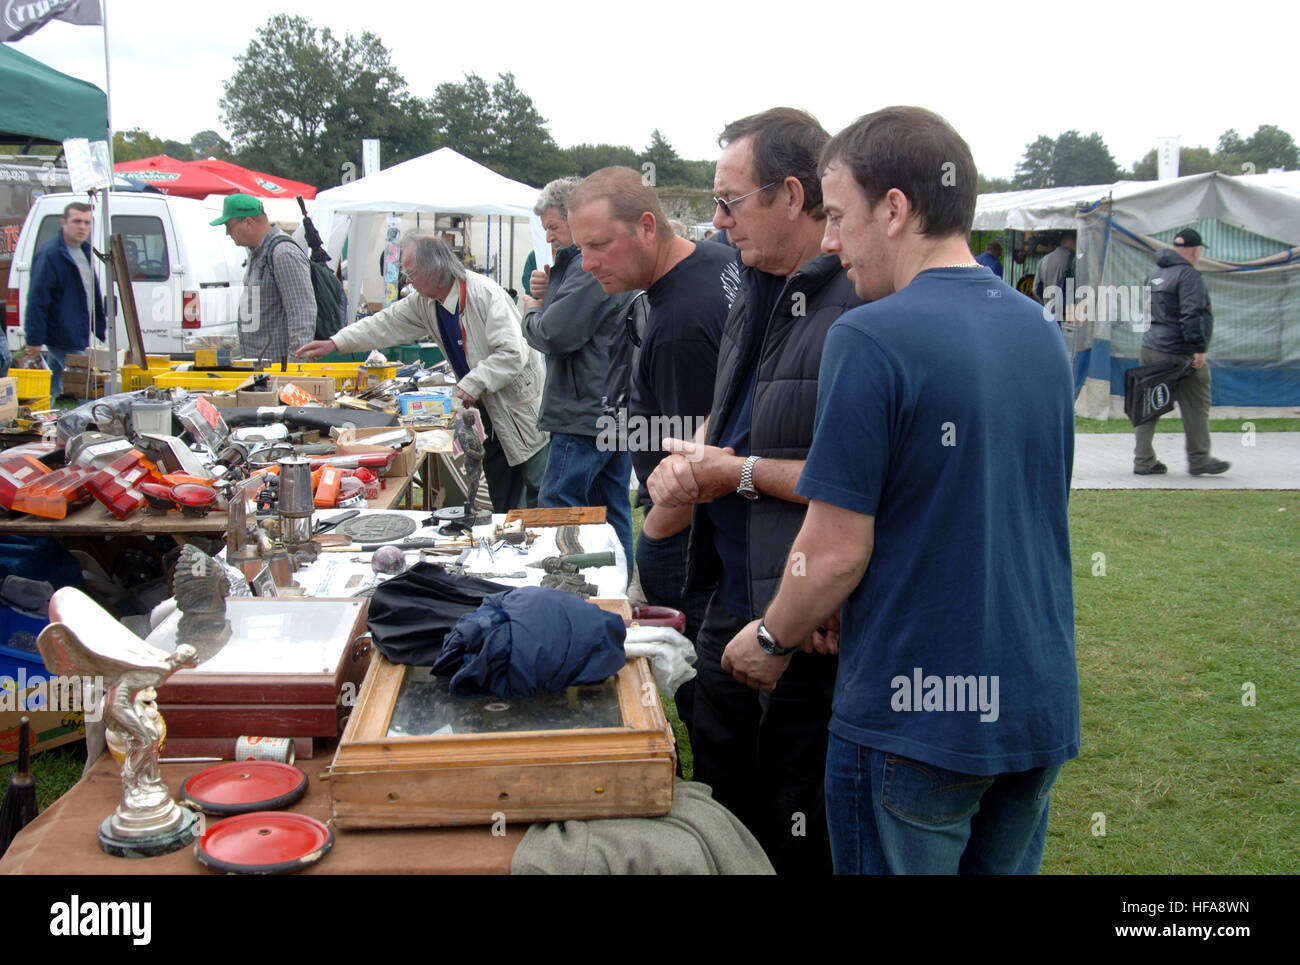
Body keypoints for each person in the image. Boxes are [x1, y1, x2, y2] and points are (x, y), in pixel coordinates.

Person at [720, 106, 1080, 875]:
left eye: (841, 216)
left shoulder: (870, 334)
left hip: (912, 717)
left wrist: (773, 637)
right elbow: (981, 509)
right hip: (1032, 700)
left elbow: (835, 547)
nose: (828, 239)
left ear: (895, 208)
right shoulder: (1039, 329)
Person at [646, 107, 861, 873]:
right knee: (723, 801)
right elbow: (735, 428)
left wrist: (728, 471)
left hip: (802, 609)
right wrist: (693, 462)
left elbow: (861, 483)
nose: (717, 220)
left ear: (793, 196)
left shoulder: (855, 305)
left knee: (797, 813)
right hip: (728, 590)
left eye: (730, 201)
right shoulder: (752, 289)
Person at [565, 166, 739, 735]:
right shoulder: (713, 260)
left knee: (698, 681)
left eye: (598, 245)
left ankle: (712, 793)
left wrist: (655, 538)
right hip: (727, 521)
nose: (587, 264)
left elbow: (694, 468)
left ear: (646, 226)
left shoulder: (679, 324)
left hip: (690, 529)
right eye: (580, 249)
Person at [297, 234, 549, 510]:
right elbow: (385, 323)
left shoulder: (484, 293)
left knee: (537, 486)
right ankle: (508, 537)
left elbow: (513, 354)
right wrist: (336, 342)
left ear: (435, 268)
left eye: (412, 272)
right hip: (492, 410)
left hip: (521, 410)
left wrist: (472, 383)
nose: (408, 280)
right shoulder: (426, 302)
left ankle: (545, 541)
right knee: (502, 487)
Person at [521, 177, 635, 570]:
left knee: (560, 508)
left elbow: (557, 333)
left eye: (554, 226)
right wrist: (551, 286)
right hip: (611, 405)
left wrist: (532, 312)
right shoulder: (592, 265)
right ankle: (617, 593)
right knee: (611, 509)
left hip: (583, 410)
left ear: (575, 216)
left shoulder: (587, 269)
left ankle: (568, 596)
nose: (549, 237)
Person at [1133, 228, 1229, 476]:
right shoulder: (1188, 276)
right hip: (1178, 352)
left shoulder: (1155, 273)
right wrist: (1197, 348)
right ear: (1196, 251)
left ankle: (1143, 460)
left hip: (1150, 346)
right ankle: (1199, 459)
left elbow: (1144, 310)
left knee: (1149, 404)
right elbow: (1191, 313)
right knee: (1196, 403)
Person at [210, 193, 314, 361]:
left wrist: (295, 370)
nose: (227, 233)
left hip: (278, 371)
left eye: (229, 226)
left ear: (248, 223)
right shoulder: (258, 253)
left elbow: (302, 314)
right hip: (263, 370)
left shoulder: (283, 252)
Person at [23, 201, 106, 398]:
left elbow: (89, 291)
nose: (82, 227)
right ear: (63, 223)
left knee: (54, 387)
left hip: (77, 331)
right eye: (77, 221)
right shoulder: (51, 254)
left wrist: (99, 325)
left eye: (87, 222)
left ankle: (50, 418)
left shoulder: (85, 251)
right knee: (85, 386)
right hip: (63, 334)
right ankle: (85, 425)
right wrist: (34, 340)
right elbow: (37, 300)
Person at [1034, 231, 1076, 324]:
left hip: (1048, 314)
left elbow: (1036, 289)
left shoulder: (1043, 260)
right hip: (1066, 317)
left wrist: (1048, 303)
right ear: (1071, 242)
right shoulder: (1073, 260)